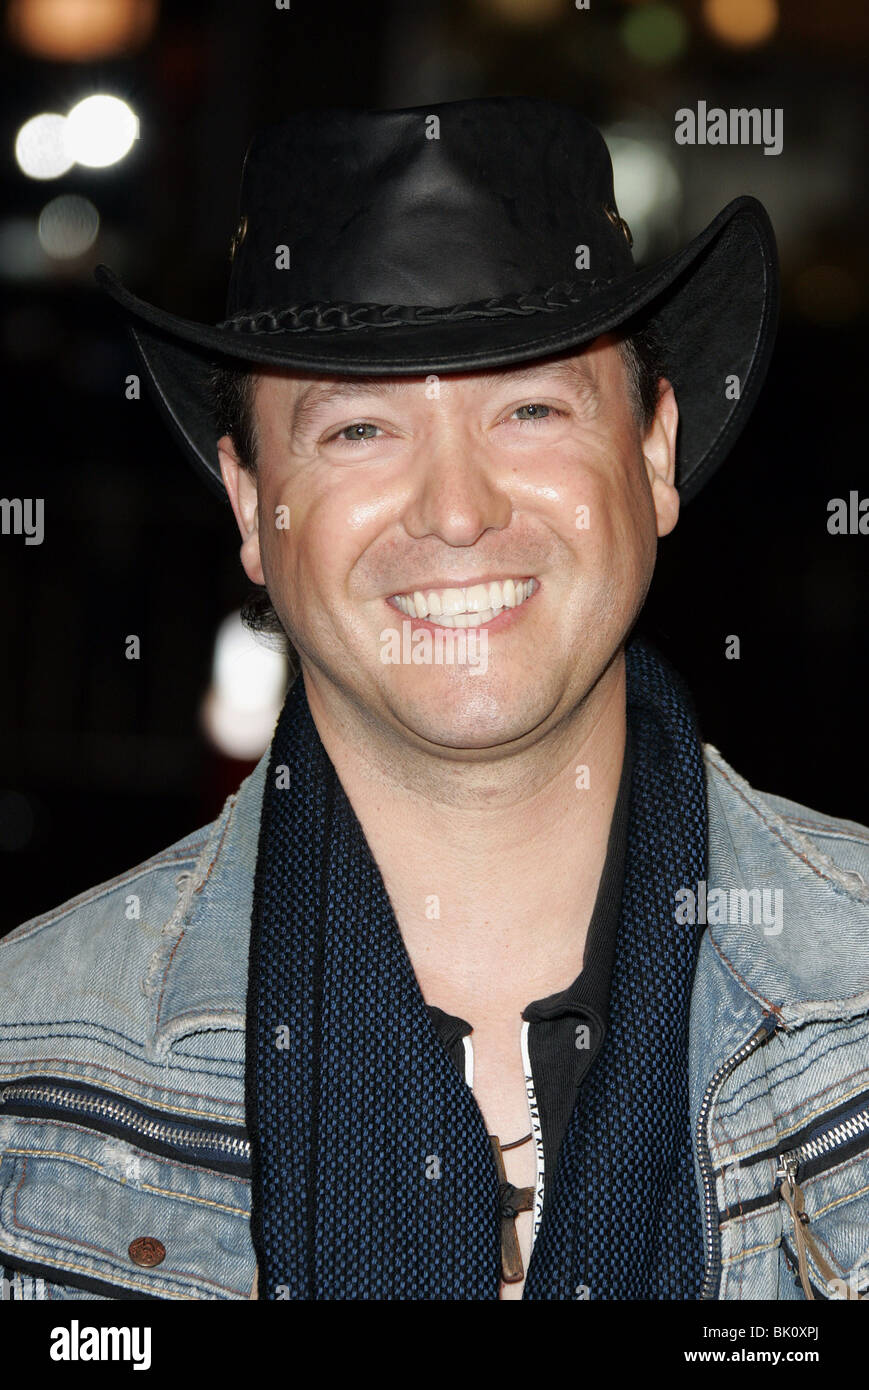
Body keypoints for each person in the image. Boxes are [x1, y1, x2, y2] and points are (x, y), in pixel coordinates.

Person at [1, 96, 867, 1303]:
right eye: (358, 428)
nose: (454, 511)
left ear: (653, 454)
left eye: (528, 408)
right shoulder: (29, 1079)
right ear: (253, 507)